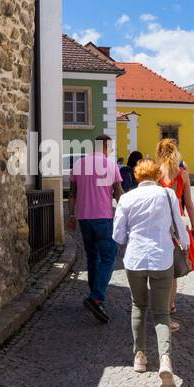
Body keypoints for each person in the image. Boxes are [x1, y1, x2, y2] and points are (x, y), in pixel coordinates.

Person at [113, 157, 190, 387]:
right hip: (162, 258)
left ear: (137, 176)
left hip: (135, 259)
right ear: (157, 176)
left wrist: (132, 237)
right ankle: (165, 359)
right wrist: (184, 245)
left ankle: (140, 357)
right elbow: (180, 226)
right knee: (161, 313)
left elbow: (118, 235)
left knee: (138, 305)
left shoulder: (126, 198)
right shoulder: (167, 196)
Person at [71, 134, 123, 323]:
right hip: (103, 217)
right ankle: (96, 297)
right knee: (109, 257)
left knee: (92, 256)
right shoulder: (110, 165)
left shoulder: (79, 164)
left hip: (84, 217)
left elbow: (72, 193)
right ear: (107, 146)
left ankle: (94, 294)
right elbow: (118, 193)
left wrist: (70, 215)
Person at [156, 137, 194, 332]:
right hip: (177, 222)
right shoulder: (182, 174)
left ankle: (161, 304)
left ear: (160, 152)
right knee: (174, 266)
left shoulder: (156, 173)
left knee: (161, 263)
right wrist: (193, 225)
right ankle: (170, 305)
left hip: (160, 222)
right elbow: (189, 203)